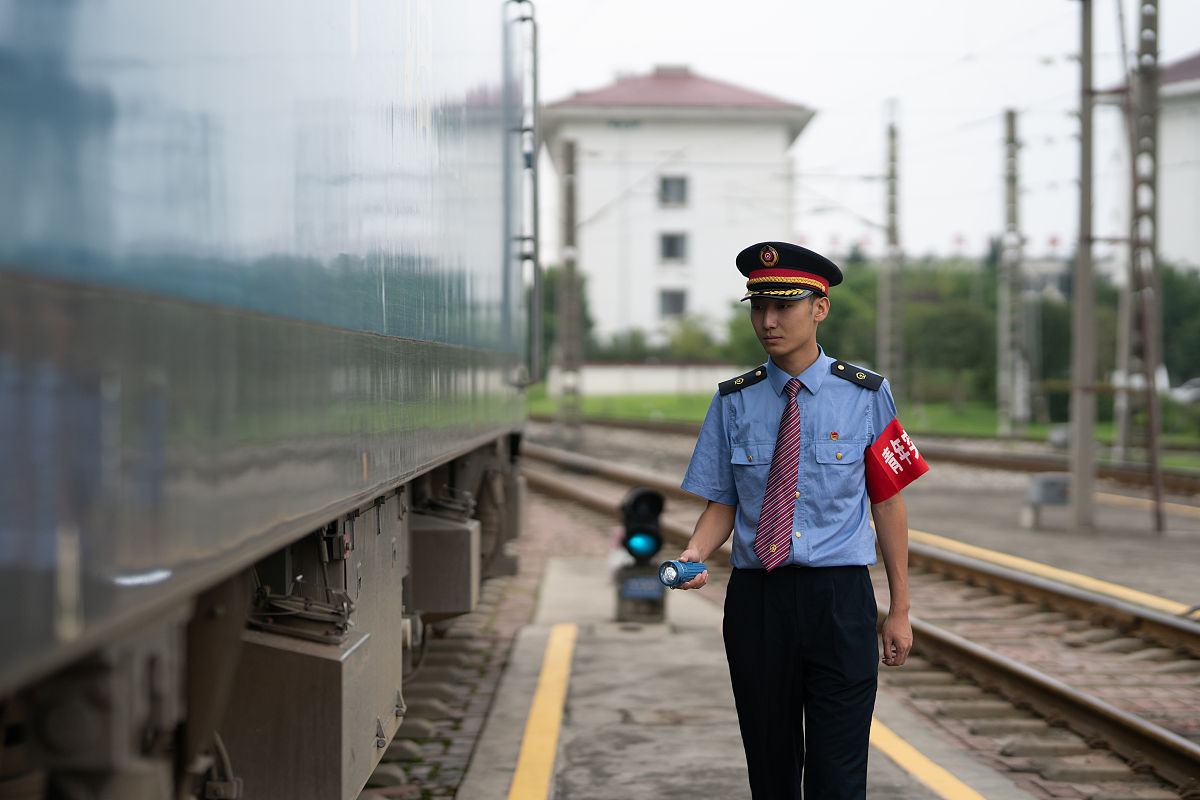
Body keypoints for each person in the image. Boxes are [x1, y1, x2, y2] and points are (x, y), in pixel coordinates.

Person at [673, 241, 928, 799]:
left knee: (838, 776)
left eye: (782, 306)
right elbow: (724, 500)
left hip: (839, 602)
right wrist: (695, 551)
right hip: (756, 603)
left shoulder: (867, 394)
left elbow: (888, 501)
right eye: (757, 307)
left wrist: (900, 610)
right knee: (770, 772)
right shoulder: (732, 400)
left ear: (820, 308)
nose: (767, 321)